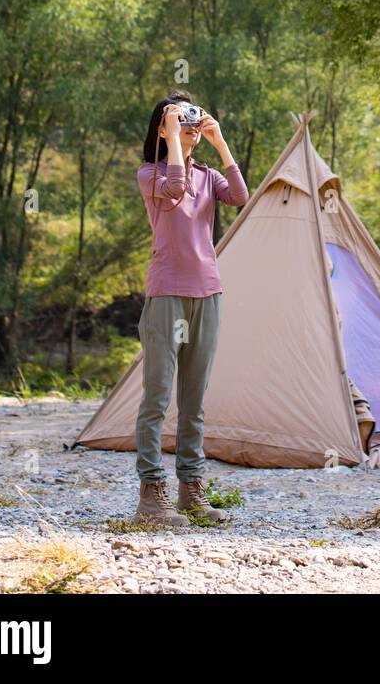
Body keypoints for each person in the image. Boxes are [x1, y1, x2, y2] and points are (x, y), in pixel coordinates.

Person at [133, 90, 248, 527]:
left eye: (193, 121)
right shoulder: (152, 173)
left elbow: (239, 196)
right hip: (167, 295)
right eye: (181, 121)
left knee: (194, 401)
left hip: (208, 294)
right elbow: (175, 189)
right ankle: (151, 497)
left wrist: (220, 143)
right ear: (163, 128)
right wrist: (173, 141)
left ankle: (191, 493)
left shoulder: (208, 175)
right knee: (158, 398)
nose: (191, 128)